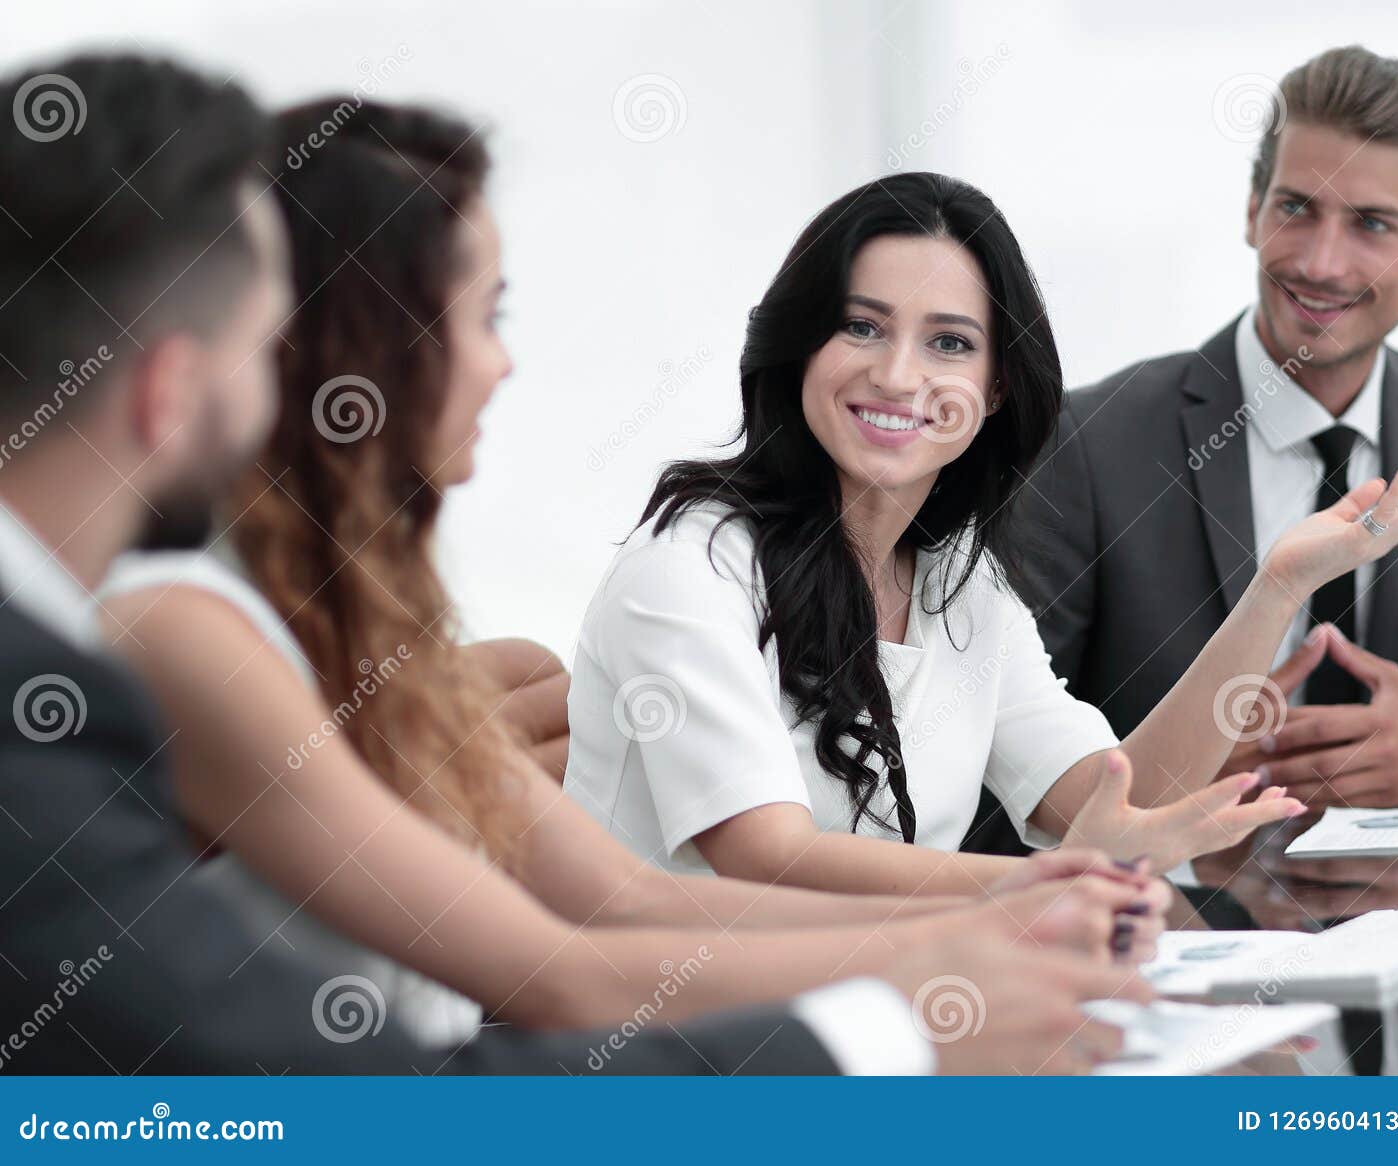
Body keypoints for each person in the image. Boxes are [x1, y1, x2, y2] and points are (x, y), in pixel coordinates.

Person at [0, 54, 1147, 1077]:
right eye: (485, 315)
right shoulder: (186, 625)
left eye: (951, 341)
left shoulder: (361, 627)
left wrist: (1005, 914)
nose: (505, 364)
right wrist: (939, 971)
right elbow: (561, 973)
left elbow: (619, 899)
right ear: (371, 349)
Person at [563, 170, 1398, 896]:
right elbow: (767, 857)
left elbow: (1121, 801)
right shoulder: (688, 567)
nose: (897, 374)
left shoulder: (957, 578)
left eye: (950, 343)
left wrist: (1276, 587)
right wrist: (1046, 887)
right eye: (860, 327)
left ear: (999, 387)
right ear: (799, 348)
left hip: (867, 1027)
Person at [969, 44, 1398, 861]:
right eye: (1296, 207)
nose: (1319, 261)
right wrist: (1156, 769)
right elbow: (978, 732)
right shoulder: (1092, 441)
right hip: (1152, 931)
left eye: (1372, 224)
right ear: (1252, 210)